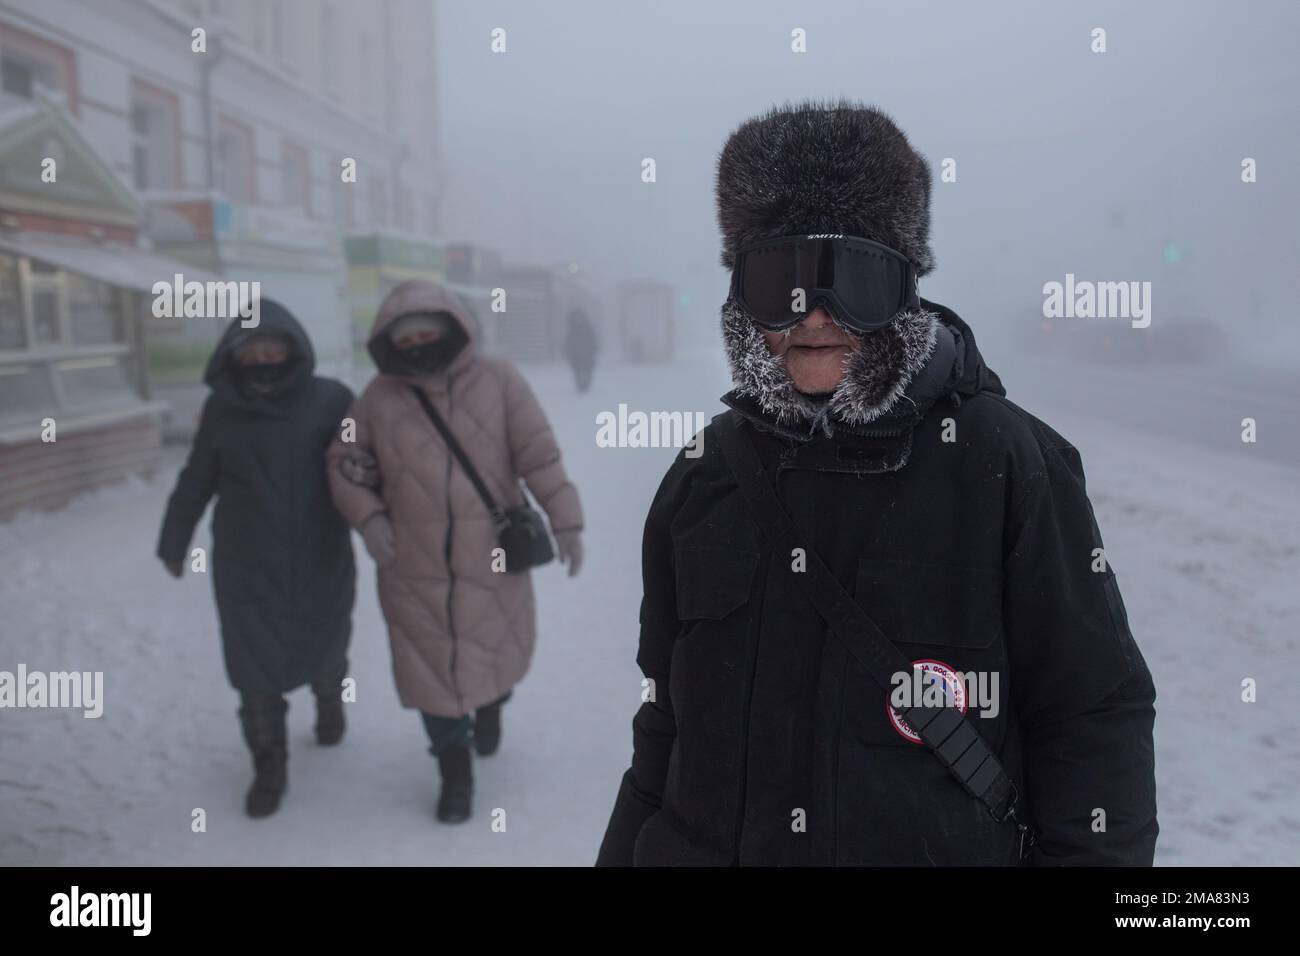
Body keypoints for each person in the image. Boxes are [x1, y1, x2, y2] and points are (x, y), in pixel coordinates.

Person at [597, 101, 1158, 866]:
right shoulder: (705, 477)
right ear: (740, 296)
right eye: (780, 282)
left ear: (903, 290)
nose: (815, 317)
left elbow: (1093, 716)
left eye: (853, 280)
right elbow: (665, 722)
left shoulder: (1008, 465)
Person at [327, 279, 584, 824]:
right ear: (388, 341)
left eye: (429, 330)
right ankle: (454, 771)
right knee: (430, 673)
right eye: (407, 334)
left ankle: (491, 706)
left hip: (492, 559)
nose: (419, 341)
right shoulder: (375, 398)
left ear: (453, 328)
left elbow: (538, 455)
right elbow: (343, 462)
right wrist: (369, 516)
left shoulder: (500, 381)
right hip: (411, 567)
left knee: (492, 653)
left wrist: (566, 520)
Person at [157, 300, 356, 819]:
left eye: (275, 347)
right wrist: (174, 539)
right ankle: (270, 765)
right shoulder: (224, 412)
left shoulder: (332, 400)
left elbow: (364, 466)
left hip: (322, 553)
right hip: (246, 565)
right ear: (233, 354)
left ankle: (329, 700)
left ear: (294, 348)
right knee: (252, 667)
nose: (265, 357)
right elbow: (197, 478)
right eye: (253, 349)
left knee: (328, 642)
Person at [562, 309, 598, 392]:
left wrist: (593, 351)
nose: (578, 320)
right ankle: (580, 386)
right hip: (575, 355)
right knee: (577, 371)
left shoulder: (589, 328)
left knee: (588, 370)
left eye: (580, 317)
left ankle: (586, 385)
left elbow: (594, 340)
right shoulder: (571, 330)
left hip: (588, 354)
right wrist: (567, 352)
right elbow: (568, 342)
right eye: (577, 318)